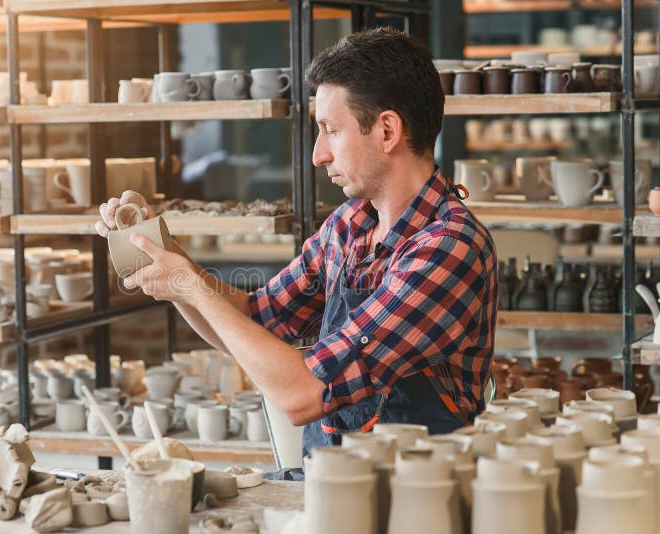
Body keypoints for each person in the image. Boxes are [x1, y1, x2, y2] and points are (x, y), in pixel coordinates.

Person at [96, 27, 498, 462]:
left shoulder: (449, 248)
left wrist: (190, 287)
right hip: (334, 489)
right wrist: (168, 254)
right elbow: (253, 320)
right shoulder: (350, 226)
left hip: (415, 504)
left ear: (387, 131)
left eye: (330, 130)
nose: (318, 154)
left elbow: (304, 395)